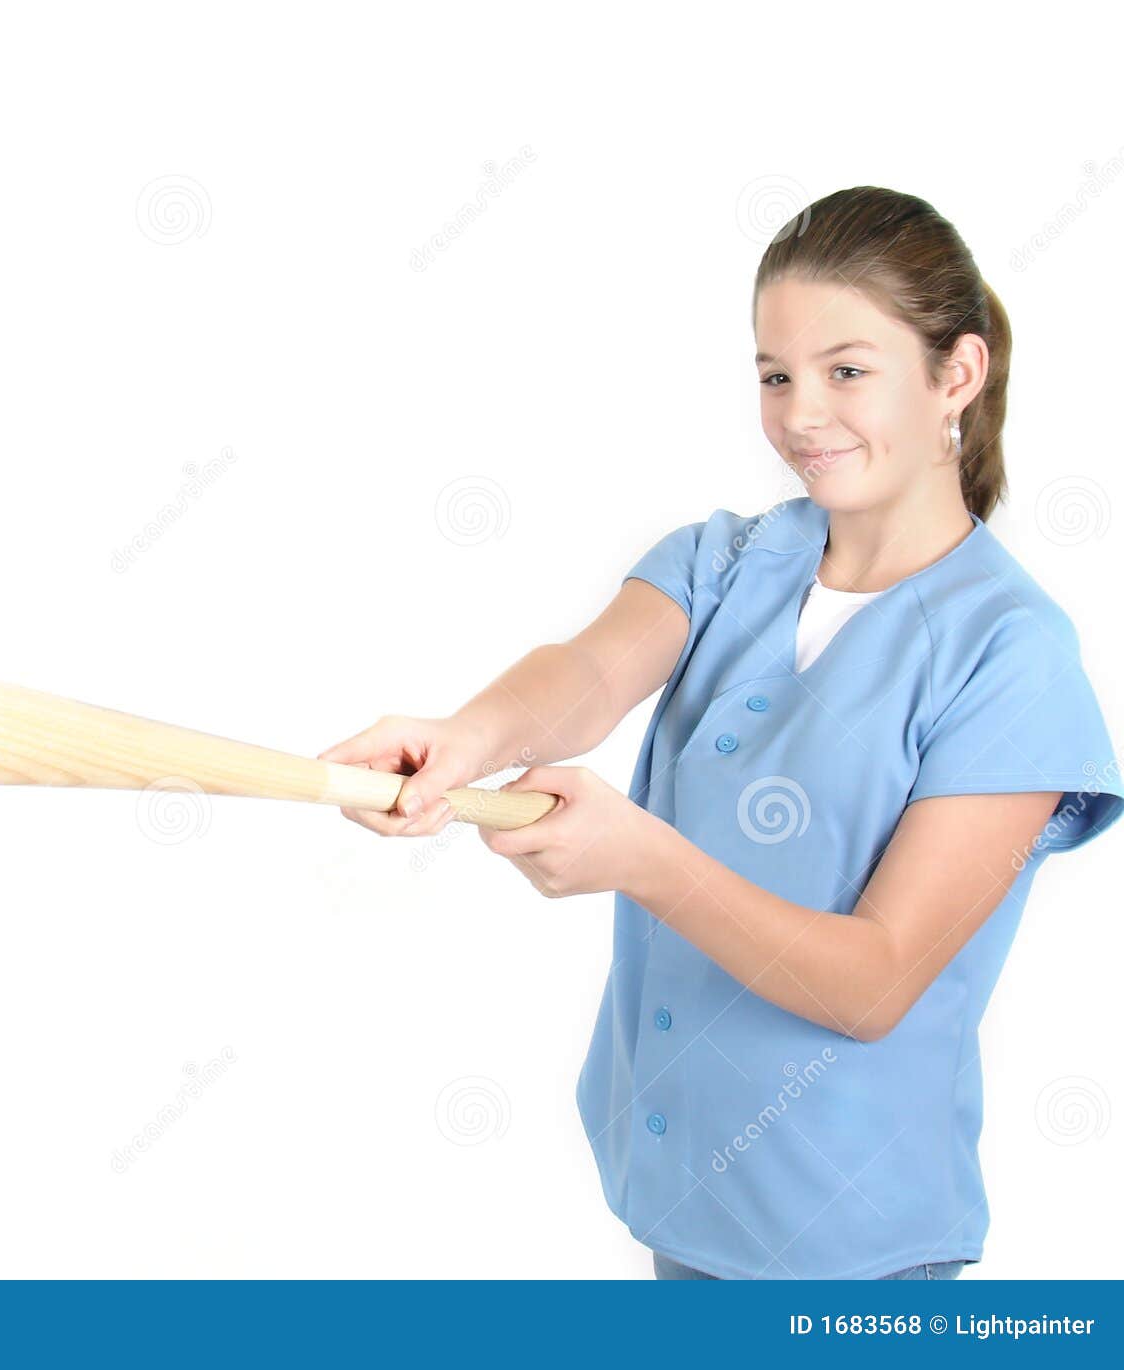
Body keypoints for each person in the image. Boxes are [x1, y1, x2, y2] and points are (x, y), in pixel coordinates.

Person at [318, 186, 1123, 1280]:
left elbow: (873, 980)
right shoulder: (731, 558)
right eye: (774, 373)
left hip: (855, 1257)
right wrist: (468, 735)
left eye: (847, 371)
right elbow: (591, 671)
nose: (800, 414)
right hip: (681, 1209)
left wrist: (639, 859)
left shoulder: (1012, 655)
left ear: (957, 375)